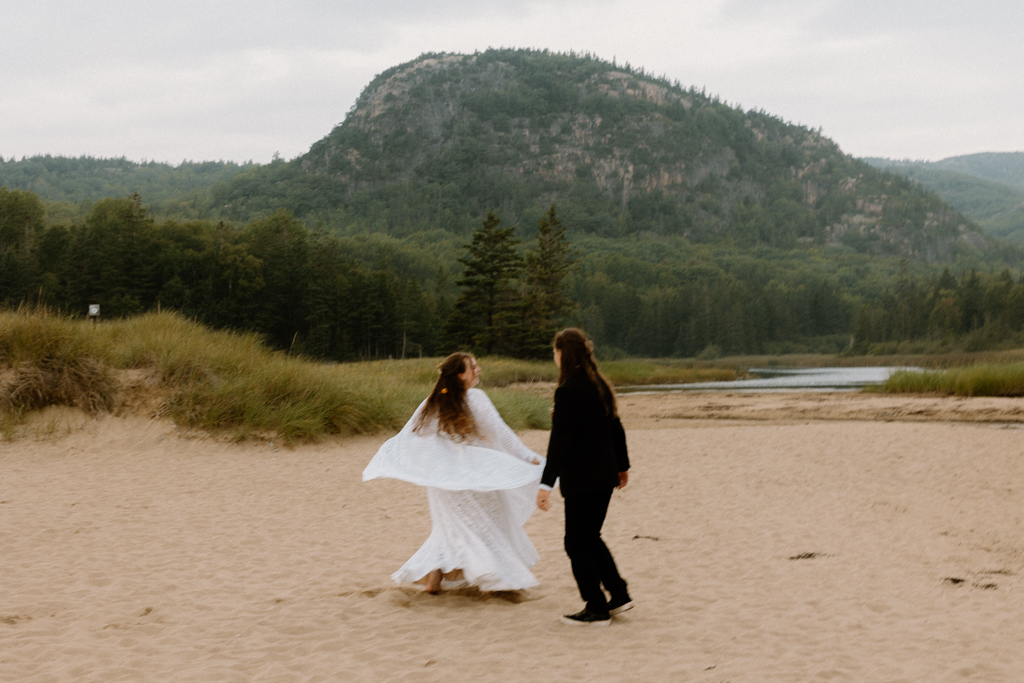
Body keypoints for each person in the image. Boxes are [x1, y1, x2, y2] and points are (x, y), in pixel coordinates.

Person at [363, 352, 545, 593]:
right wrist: (528, 457)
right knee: (487, 525)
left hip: (445, 482)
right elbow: (502, 433)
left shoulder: (435, 400)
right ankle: (493, 580)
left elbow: (414, 438)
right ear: (460, 375)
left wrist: (436, 465)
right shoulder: (475, 398)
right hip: (472, 477)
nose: (478, 370)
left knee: (452, 529)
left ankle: (434, 582)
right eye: (474, 367)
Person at [536, 328, 632, 626]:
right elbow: (616, 428)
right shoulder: (599, 384)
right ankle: (618, 593)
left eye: (555, 351)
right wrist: (622, 466)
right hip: (604, 476)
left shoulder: (567, 391)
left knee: (575, 542)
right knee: (590, 537)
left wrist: (545, 483)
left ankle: (596, 606)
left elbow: (560, 442)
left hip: (582, 479)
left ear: (562, 353)